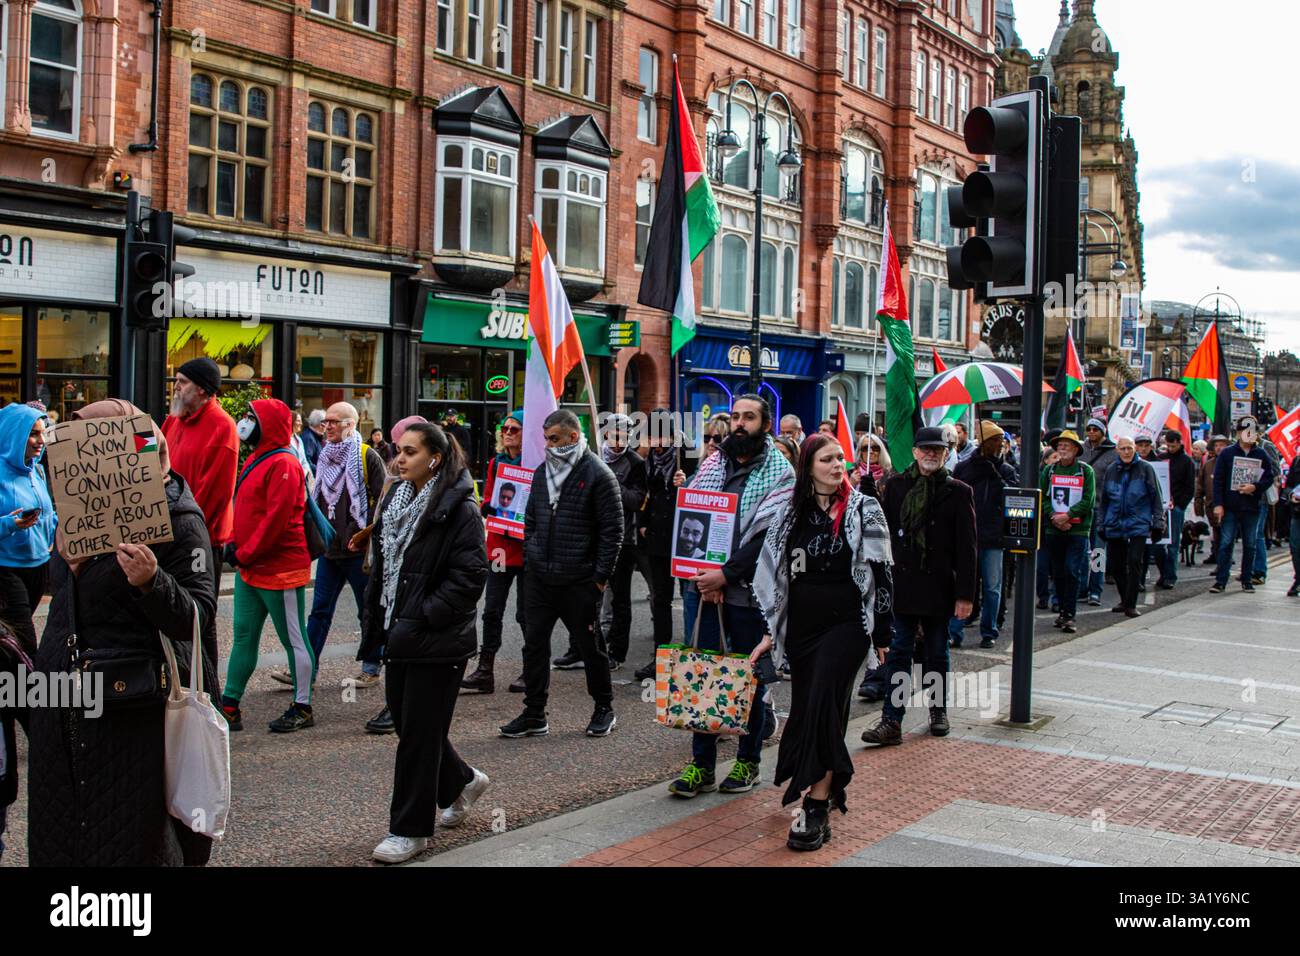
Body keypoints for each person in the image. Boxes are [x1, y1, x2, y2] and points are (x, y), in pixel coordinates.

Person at [26, 400, 218, 866]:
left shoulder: (178, 519)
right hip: (61, 698)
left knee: (128, 834)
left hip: (129, 704)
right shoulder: (75, 512)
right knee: (62, 823)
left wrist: (152, 583)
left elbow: (197, 616)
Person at [750, 433, 893, 851]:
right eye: (827, 459)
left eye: (840, 459)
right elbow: (773, 575)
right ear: (808, 467)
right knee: (818, 706)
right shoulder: (790, 513)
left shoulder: (865, 508)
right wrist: (769, 631)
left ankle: (814, 806)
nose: (837, 466)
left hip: (848, 626)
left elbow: (882, 574)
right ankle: (826, 790)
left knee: (819, 704)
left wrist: (882, 632)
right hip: (802, 631)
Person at [360, 423, 490, 864]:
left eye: (410, 452)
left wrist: (425, 613)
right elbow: (385, 566)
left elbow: (470, 577)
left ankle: (409, 831)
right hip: (400, 631)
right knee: (411, 724)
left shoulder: (460, 508)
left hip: (438, 640)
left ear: (435, 457)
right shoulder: (398, 498)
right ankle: (461, 780)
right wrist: (377, 620)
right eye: (398, 451)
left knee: (416, 736)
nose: (399, 459)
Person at [667, 395, 794, 797]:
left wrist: (725, 574)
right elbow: (691, 524)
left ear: (766, 424)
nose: (739, 424)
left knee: (749, 679)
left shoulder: (781, 474)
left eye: (749, 417)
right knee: (704, 676)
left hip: (749, 594)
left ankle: (747, 761)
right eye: (736, 416)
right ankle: (701, 766)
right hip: (704, 590)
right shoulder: (711, 465)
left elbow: (768, 539)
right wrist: (704, 577)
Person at [500, 409, 623, 739]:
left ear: (572, 436)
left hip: (579, 580)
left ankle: (603, 708)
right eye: (546, 440)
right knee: (534, 645)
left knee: (589, 646)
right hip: (541, 578)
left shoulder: (598, 474)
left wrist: (599, 578)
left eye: (554, 439)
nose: (549, 446)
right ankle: (534, 712)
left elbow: (613, 531)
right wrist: (533, 555)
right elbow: (531, 521)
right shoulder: (542, 474)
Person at [861, 427, 977, 746]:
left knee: (937, 654)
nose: (930, 454)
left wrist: (966, 595)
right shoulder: (896, 485)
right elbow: (881, 531)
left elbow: (968, 549)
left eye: (937, 450)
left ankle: (938, 710)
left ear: (945, 454)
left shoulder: (959, 491)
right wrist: (870, 496)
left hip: (939, 587)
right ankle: (891, 720)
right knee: (898, 654)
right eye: (925, 449)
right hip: (903, 586)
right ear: (914, 452)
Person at [219, 399, 316, 733]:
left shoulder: (284, 463)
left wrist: (243, 552)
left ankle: (302, 706)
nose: (244, 422)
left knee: (294, 639)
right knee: (244, 636)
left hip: (279, 569)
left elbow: (276, 520)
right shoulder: (262, 458)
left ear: (269, 424)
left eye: (251, 417)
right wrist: (237, 545)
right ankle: (229, 705)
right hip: (252, 567)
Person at [302, 402, 386, 686]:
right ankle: (306, 669)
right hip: (330, 551)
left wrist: (362, 534)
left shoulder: (367, 456)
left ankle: (372, 667)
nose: (327, 427)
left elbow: (384, 502)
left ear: (350, 425)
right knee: (320, 611)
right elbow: (320, 501)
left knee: (368, 609)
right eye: (325, 422)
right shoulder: (325, 456)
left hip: (358, 551)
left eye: (334, 422)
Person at [161, 357, 238, 591]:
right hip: (170, 532)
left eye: (183, 382)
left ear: (202, 389)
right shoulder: (174, 420)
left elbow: (215, 495)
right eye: (176, 381)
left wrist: (186, 530)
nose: (176, 387)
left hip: (199, 539)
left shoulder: (222, 427)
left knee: (198, 612)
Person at [465, 411, 525, 695]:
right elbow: (487, 495)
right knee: (492, 610)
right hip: (501, 547)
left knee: (527, 614)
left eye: (515, 428)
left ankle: (531, 669)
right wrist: (487, 505)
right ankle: (485, 670)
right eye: (505, 428)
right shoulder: (495, 463)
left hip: (527, 548)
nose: (508, 432)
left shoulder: (536, 464)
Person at [580, 413, 645, 670]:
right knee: (590, 594)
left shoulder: (635, 462)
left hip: (623, 539)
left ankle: (617, 651)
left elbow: (636, 500)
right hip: (594, 536)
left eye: (625, 435)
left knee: (620, 598)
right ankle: (589, 646)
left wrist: (611, 484)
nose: (620, 440)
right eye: (615, 434)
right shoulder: (594, 458)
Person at [951, 420, 1017, 648]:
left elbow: (1013, 499)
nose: (1000, 444)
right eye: (996, 440)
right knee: (964, 585)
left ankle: (989, 631)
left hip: (993, 537)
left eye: (1001, 440)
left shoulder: (1006, 470)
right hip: (967, 535)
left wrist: (997, 479)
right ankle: (955, 631)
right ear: (986, 442)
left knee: (992, 587)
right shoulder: (964, 468)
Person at [0, 403, 56, 657]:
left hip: (39, 568)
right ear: (14, 434)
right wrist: (10, 524)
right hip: (6, 570)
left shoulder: (38, 470)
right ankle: (27, 694)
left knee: (11, 642)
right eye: (33, 433)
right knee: (25, 647)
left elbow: (48, 515)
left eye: (43, 433)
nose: (41, 440)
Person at [633, 410, 681, 682]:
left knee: (692, 597)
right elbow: (645, 495)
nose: (657, 441)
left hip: (684, 538)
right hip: (657, 537)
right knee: (660, 599)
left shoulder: (686, 458)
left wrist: (684, 484)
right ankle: (661, 657)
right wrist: (642, 521)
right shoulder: (648, 460)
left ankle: (697, 655)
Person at [1097, 436, 1165, 618]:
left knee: (1135, 562)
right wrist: (1101, 523)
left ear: (1134, 449)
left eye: (1129, 448)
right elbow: (1104, 500)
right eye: (1123, 449)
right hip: (1115, 523)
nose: (1127, 452)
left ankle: (1131, 603)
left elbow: (1156, 497)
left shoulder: (1146, 468)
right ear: (1117, 450)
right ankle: (1124, 599)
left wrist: (1158, 522)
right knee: (1116, 565)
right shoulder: (1112, 470)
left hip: (1138, 523)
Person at [1038, 430, 1095, 634]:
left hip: (1078, 530)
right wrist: (1055, 516)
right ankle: (1062, 610)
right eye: (1059, 445)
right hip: (1054, 530)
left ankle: (1069, 614)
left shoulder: (1085, 471)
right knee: (1059, 572)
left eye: (1066, 445)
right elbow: (1043, 497)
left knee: (1072, 570)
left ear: (1076, 450)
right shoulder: (1050, 471)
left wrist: (1068, 516)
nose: (1062, 448)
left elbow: (1088, 500)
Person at [1211, 416, 1273, 595]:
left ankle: (1247, 580)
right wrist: (1218, 504)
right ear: (1238, 433)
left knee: (1251, 544)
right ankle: (1221, 581)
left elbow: (1269, 476)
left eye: (1253, 432)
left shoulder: (1261, 454)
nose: (1249, 435)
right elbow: (1219, 480)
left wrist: (1255, 487)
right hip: (1230, 506)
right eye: (1246, 432)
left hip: (1252, 506)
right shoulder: (1227, 453)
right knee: (1226, 543)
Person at [1156, 429, 1195, 589]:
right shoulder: (1162, 458)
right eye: (1168, 445)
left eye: (1172, 445)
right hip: (1161, 506)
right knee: (1158, 543)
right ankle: (1164, 573)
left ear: (1179, 443)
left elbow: (1189, 486)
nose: (1170, 448)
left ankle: (1170, 576)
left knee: (1173, 544)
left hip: (1176, 507)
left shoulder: (1187, 462)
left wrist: (1180, 505)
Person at [1195, 434, 1229, 565]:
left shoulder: (1232, 462)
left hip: (1228, 507)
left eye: (1222, 445)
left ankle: (1223, 560)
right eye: (1216, 445)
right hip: (1211, 505)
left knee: (1225, 536)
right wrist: (1198, 501)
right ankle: (1217, 556)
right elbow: (1201, 485)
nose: (1219, 448)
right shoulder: (1208, 465)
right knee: (1216, 534)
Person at [1285, 451, 1300, 596]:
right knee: (1295, 547)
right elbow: (1288, 486)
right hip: (1297, 512)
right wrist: (1292, 495)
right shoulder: (1296, 461)